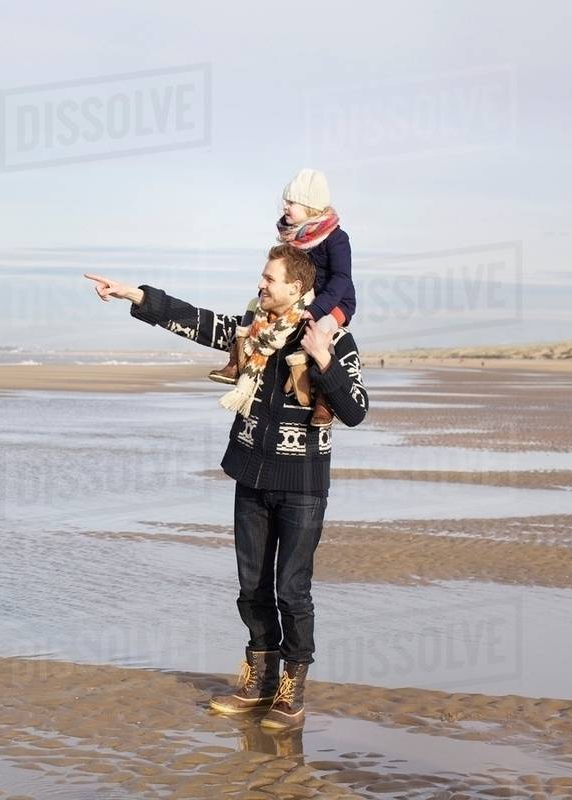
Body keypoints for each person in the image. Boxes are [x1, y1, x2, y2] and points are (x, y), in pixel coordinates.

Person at [84, 244, 369, 731]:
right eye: (262, 277)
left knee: (291, 591)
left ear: (297, 287)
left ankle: (290, 692)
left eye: (269, 279)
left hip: (302, 484)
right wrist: (135, 295)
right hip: (250, 476)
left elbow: (356, 410)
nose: (261, 285)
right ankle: (258, 683)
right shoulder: (251, 330)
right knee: (251, 588)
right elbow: (197, 320)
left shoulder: (332, 338)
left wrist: (323, 361)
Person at [208, 169, 354, 429]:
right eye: (286, 201)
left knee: (319, 334)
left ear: (310, 206)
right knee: (253, 307)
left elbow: (341, 279)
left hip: (335, 302)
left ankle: (323, 399)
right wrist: (266, 296)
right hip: (302, 297)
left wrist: (319, 309)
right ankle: (236, 361)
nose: (285, 206)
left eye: (292, 202)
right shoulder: (292, 237)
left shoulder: (336, 238)